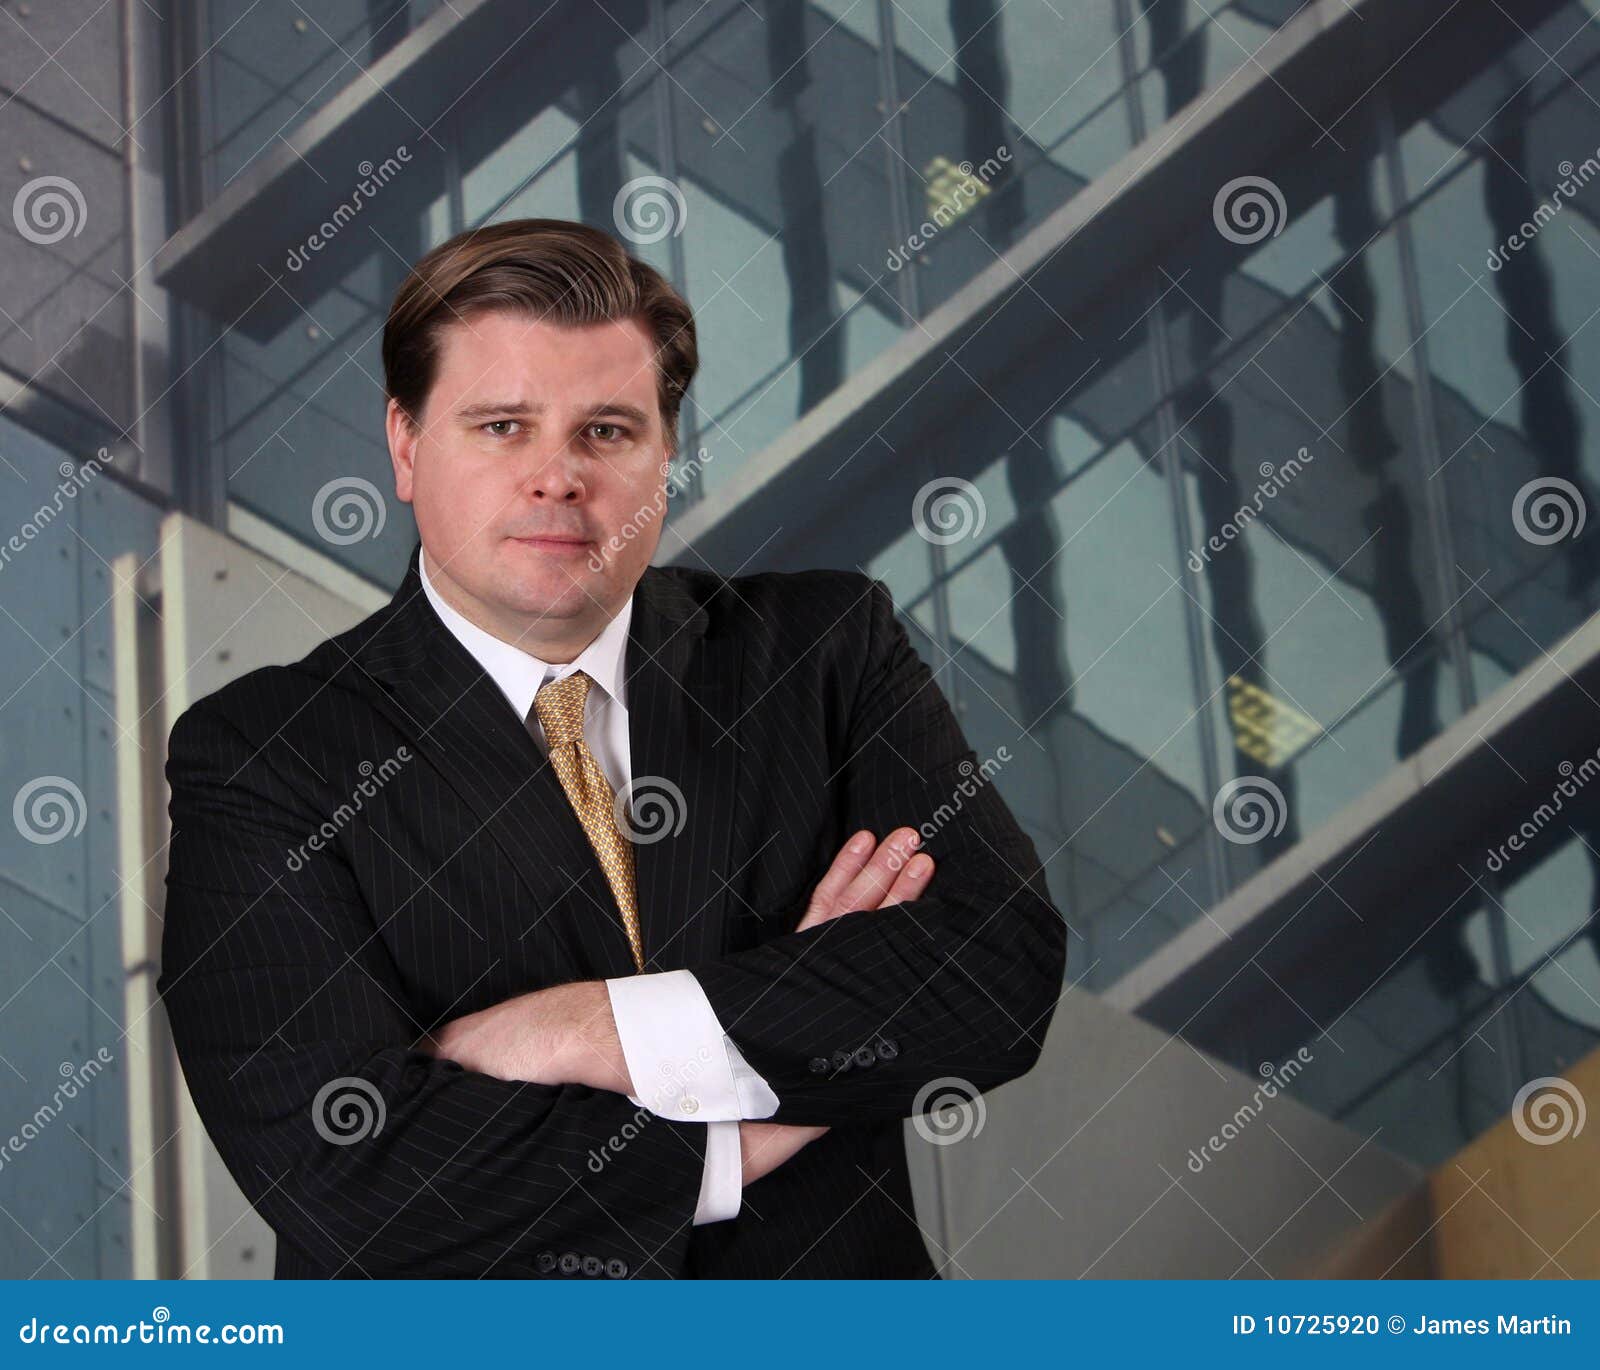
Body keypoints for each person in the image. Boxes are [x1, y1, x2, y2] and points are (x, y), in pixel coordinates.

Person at [158, 217, 1068, 1279]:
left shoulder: (821, 651)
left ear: (666, 453)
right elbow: (348, 1170)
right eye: (502, 426)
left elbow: (993, 975)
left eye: (606, 431)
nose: (557, 478)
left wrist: (577, 1027)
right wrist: (778, 1083)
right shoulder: (266, 752)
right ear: (405, 445)